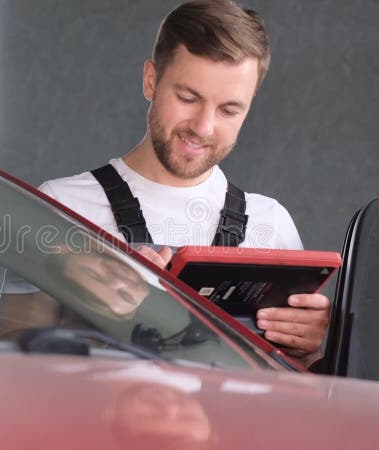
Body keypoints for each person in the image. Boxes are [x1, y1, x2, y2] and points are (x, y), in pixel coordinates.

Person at [27, 0, 329, 366]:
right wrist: (85, 315)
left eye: (229, 110)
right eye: (188, 98)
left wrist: (306, 348)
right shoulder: (60, 206)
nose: (203, 127)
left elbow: (300, 386)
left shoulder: (273, 222)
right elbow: (8, 358)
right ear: (151, 80)